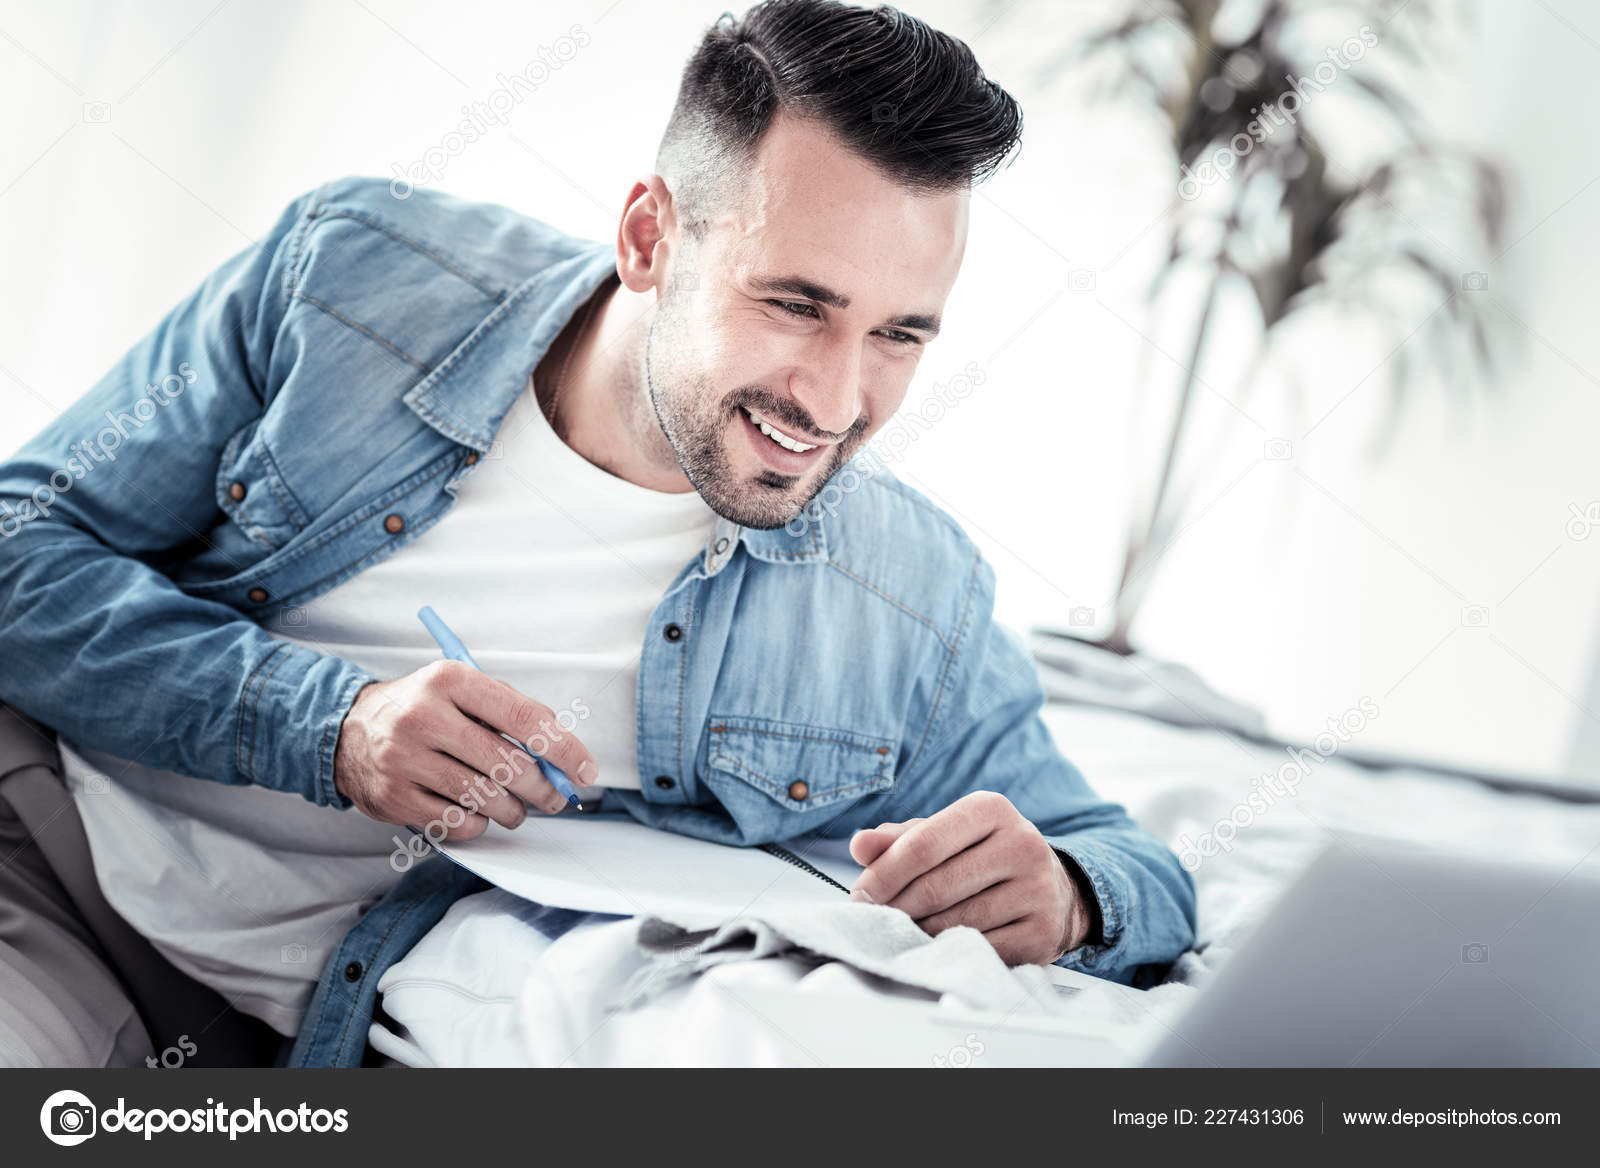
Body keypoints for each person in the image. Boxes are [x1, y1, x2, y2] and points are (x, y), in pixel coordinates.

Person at [0, 0, 1195, 1067]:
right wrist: (330, 727)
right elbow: (18, 549)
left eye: (899, 336)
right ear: (648, 239)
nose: (833, 402)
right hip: (64, 876)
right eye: (794, 305)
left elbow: (1119, 854)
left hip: (354, 1030)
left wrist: (1074, 896)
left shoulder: (903, 596)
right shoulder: (350, 284)